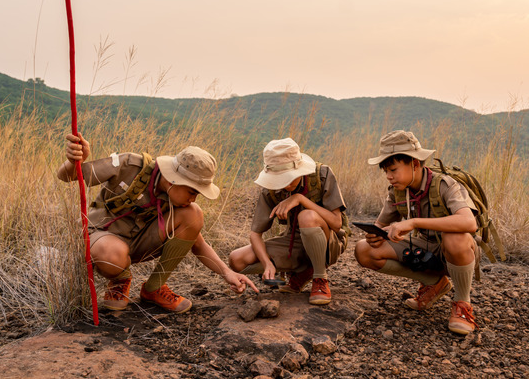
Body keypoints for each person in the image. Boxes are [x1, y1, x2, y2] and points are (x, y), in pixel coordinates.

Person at [57, 133, 257, 313]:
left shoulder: (177, 199)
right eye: (192, 191)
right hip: (104, 238)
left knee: (194, 214)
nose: (194, 199)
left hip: (140, 242)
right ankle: (120, 279)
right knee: (111, 255)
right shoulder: (129, 165)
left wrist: (227, 273)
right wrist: (74, 160)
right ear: (173, 181)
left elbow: (198, 244)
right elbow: (68, 176)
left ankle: (154, 288)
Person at [354, 130, 480, 335]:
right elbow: (380, 225)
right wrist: (375, 235)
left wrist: (412, 223)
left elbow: (468, 222)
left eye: (393, 169)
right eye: (386, 171)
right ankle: (435, 283)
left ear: (414, 164)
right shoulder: (397, 191)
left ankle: (462, 303)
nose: (389, 176)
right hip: (425, 247)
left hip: (459, 252)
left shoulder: (445, 185)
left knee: (454, 237)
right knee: (364, 249)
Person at [228, 138, 348, 305]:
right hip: (295, 243)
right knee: (236, 259)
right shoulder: (270, 190)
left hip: (330, 242)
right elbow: (255, 234)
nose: (284, 183)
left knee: (306, 217)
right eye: (279, 178)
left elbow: (336, 223)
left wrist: (300, 199)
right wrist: (267, 263)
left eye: (288, 177)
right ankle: (305, 270)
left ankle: (320, 278)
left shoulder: (321, 174)